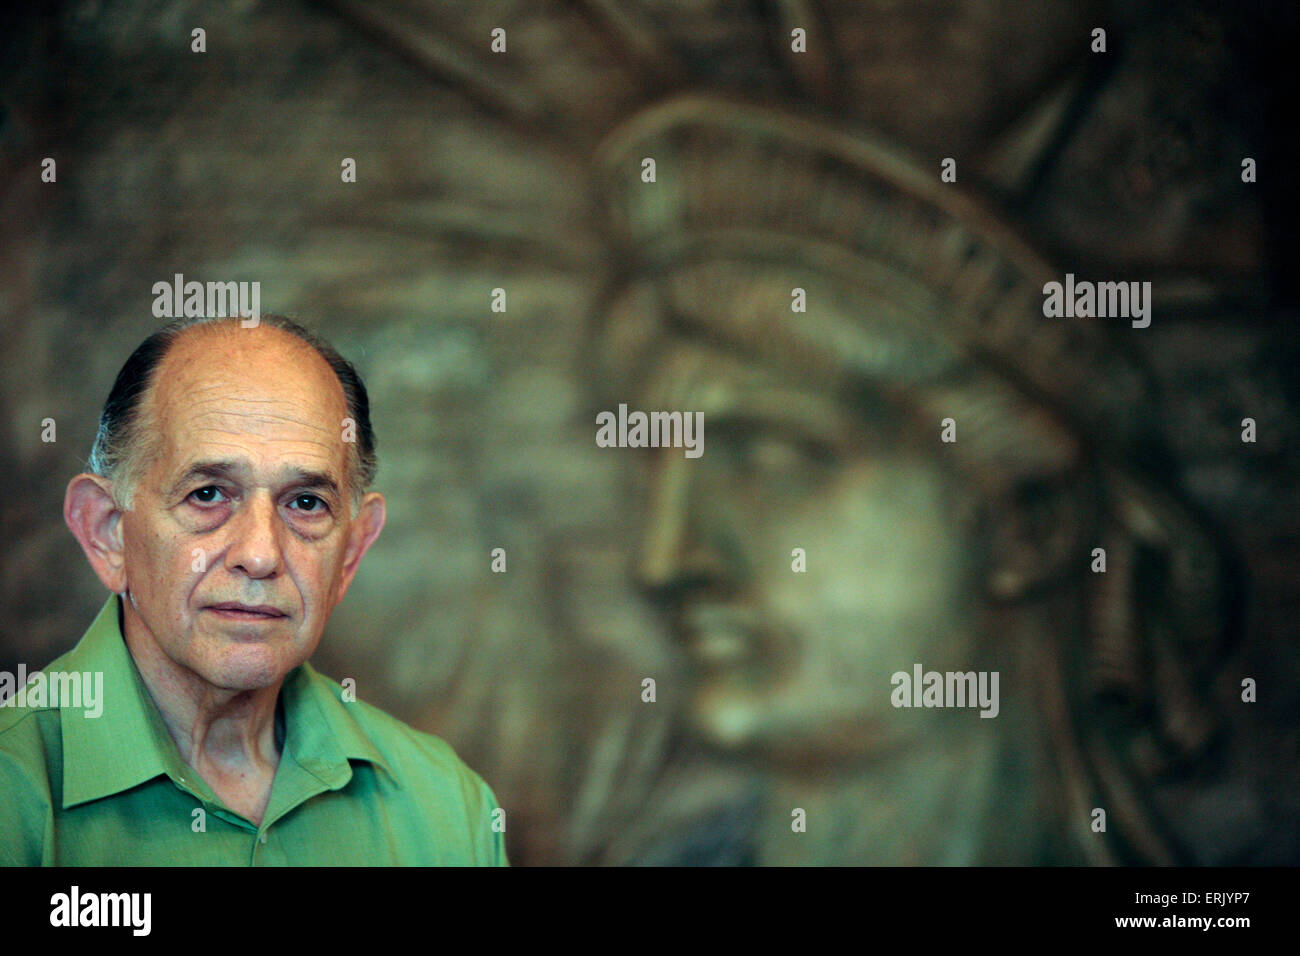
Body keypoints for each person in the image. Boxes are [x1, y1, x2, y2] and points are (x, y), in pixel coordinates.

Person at [0, 314, 507, 865]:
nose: (261, 555)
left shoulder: (448, 811)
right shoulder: (14, 796)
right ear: (108, 534)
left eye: (306, 503)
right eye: (209, 493)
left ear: (351, 554)